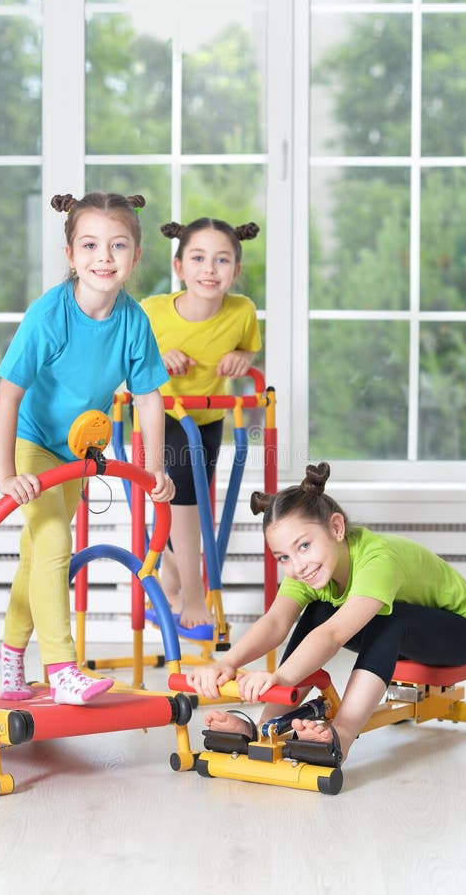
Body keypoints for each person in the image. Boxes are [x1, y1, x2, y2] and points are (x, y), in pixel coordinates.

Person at [0, 191, 174, 705]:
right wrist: (6, 474)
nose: (105, 257)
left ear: (136, 257)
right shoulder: (49, 315)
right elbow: (8, 395)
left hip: (77, 452)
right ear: (70, 254)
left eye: (118, 246)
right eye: (91, 245)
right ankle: (61, 668)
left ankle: (10, 659)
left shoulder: (134, 321)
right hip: (32, 442)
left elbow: (148, 399)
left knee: (38, 556)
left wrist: (154, 468)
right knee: (53, 541)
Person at [187, 462, 466, 763]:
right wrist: (226, 663)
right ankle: (265, 730)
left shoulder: (377, 561)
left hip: (460, 632)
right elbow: (275, 622)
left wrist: (280, 676)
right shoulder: (307, 571)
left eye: (304, 545)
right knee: (319, 610)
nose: (297, 565)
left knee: (389, 621)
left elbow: (333, 635)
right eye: (283, 557)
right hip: (403, 635)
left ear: (336, 528)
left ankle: (341, 734)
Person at [140, 217, 262, 628]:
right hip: (163, 417)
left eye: (221, 260)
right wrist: (160, 359)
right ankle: (192, 598)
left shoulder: (242, 311)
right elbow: (128, 365)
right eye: (198, 258)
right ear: (179, 268)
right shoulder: (153, 312)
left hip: (208, 418)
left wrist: (243, 360)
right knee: (186, 504)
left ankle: (167, 572)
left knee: (188, 507)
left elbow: (247, 350)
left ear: (236, 271)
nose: (209, 269)